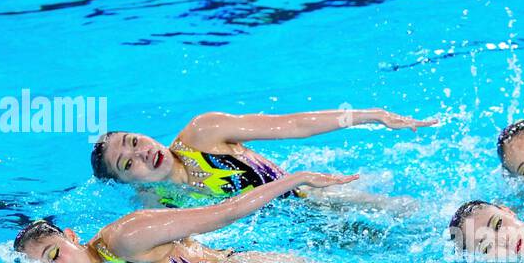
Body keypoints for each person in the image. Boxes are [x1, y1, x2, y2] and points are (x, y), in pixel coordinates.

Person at [11, 171, 354, 263]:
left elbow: (225, 213)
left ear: (72, 237)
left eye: (55, 254)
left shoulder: (127, 237)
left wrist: (297, 180)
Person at [89, 107, 434, 204]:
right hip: (294, 242)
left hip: (317, 197)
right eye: (128, 163)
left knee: (406, 212)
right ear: (124, 183)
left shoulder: (203, 133)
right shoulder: (157, 206)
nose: (144, 154)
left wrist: (368, 115)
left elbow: (294, 125)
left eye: (134, 141)